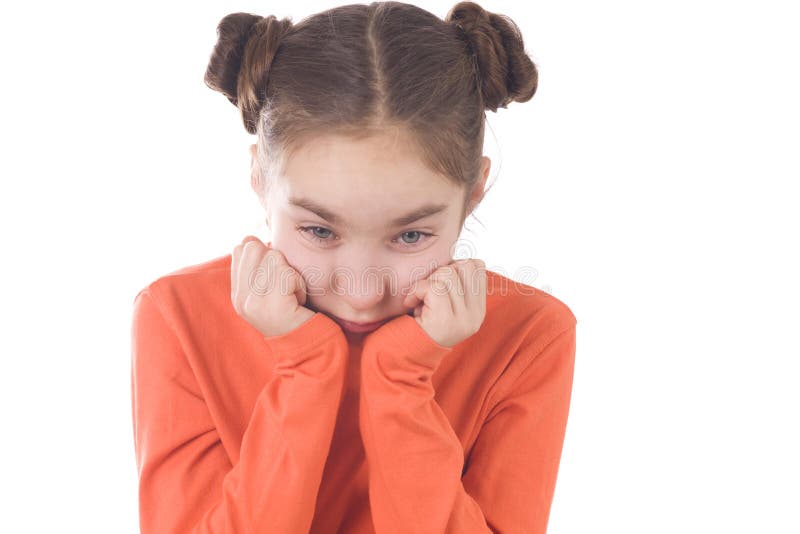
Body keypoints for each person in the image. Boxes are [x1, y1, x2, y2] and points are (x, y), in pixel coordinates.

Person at [130, 2, 577, 533]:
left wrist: (402, 378)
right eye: (319, 231)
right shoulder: (178, 316)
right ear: (259, 178)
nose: (362, 291)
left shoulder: (529, 336)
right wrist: (304, 367)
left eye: (411, 235)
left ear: (474, 191)